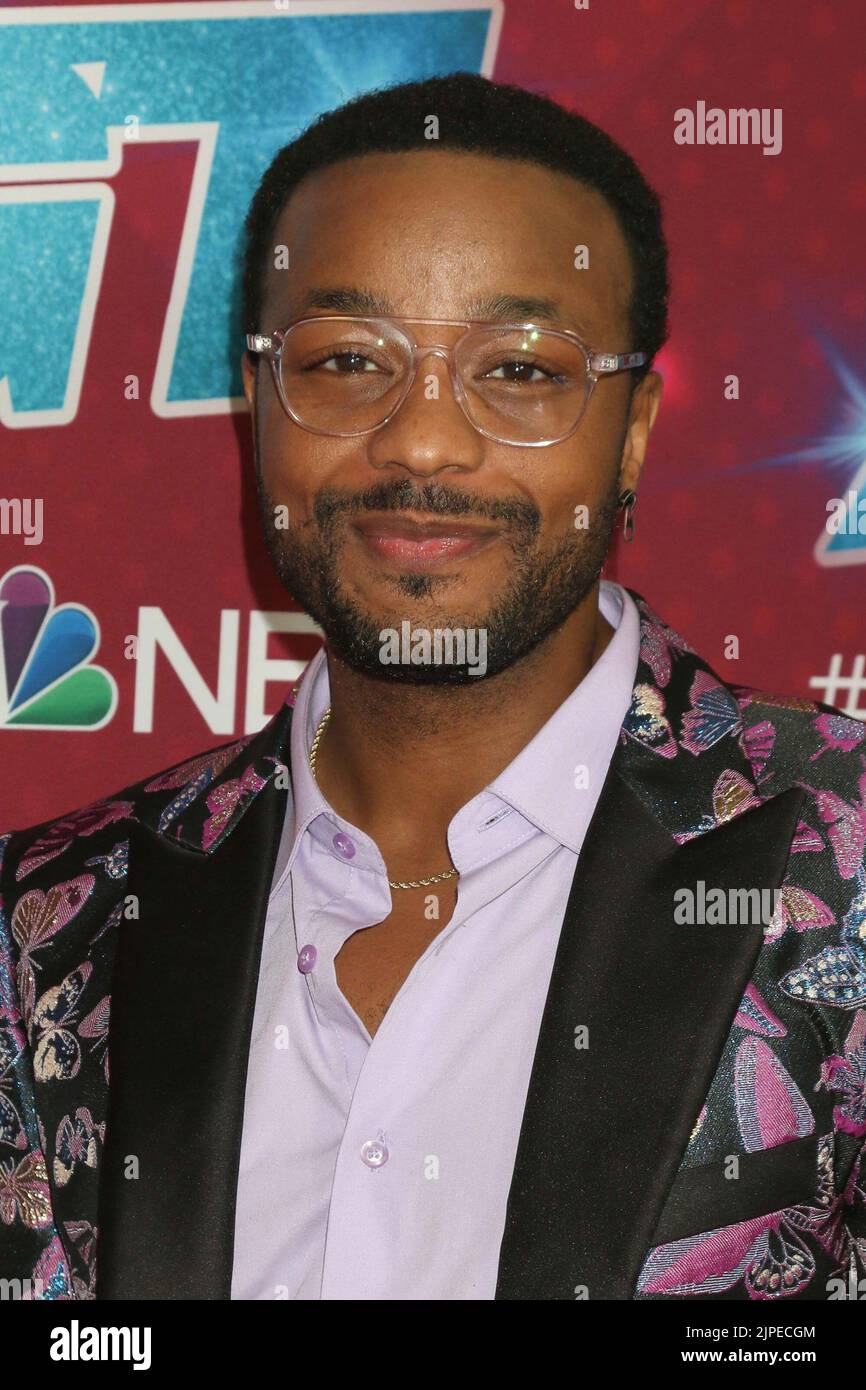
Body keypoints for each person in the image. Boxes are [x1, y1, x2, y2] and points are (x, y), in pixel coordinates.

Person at [1, 72, 863, 1302]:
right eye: (349, 358)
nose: (420, 440)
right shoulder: (45, 924)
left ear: (629, 431)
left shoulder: (842, 858)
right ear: (255, 407)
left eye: (517, 370)